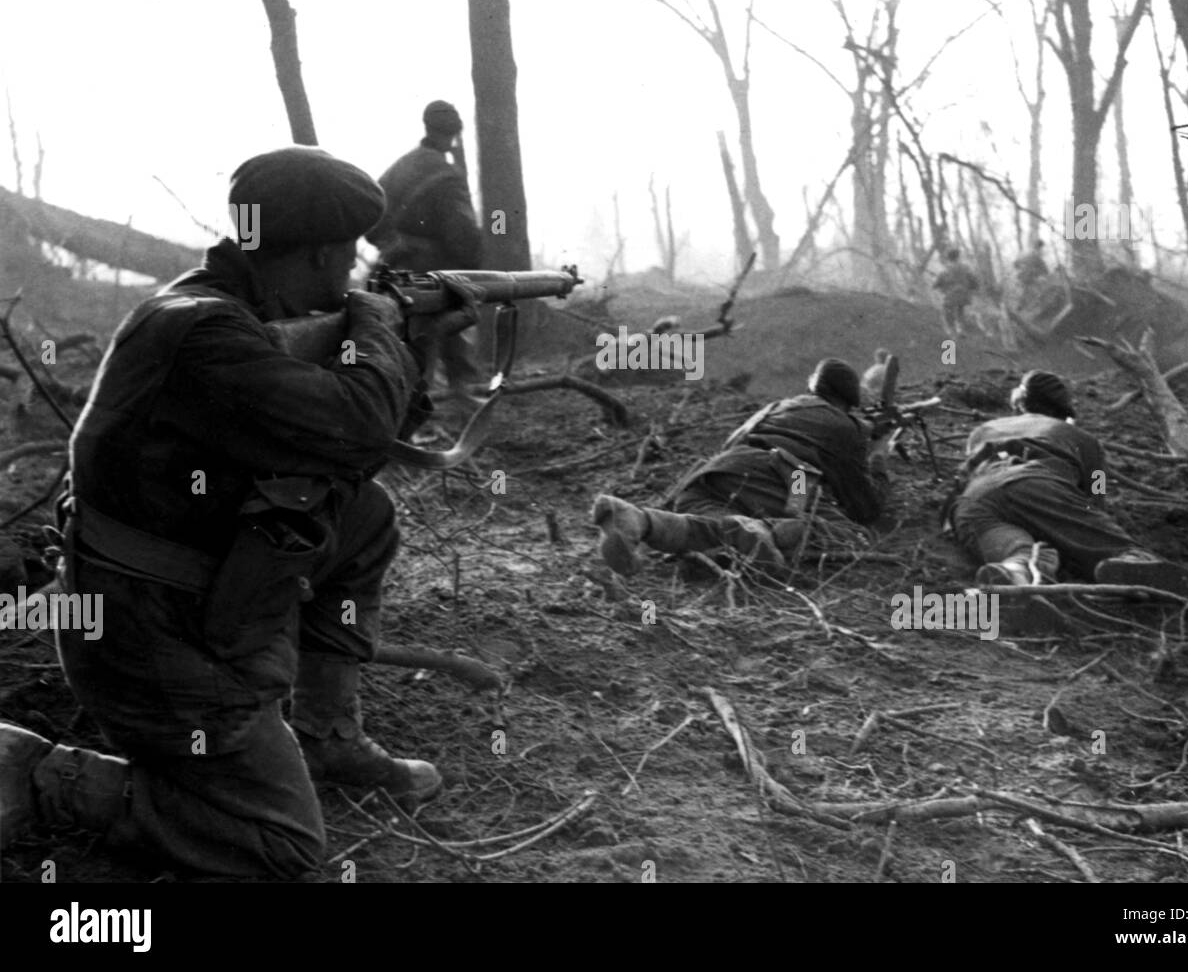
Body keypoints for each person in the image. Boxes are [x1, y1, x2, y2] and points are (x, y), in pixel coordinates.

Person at [0, 147, 478, 879]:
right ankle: (40, 776)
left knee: (364, 519)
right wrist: (379, 325)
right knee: (279, 848)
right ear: (322, 254)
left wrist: (414, 338)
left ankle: (324, 733)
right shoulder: (202, 332)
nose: (350, 274)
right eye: (346, 257)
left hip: (185, 591)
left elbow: (349, 458)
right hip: (144, 636)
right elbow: (356, 425)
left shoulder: (237, 309)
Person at [593, 358, 891, 574]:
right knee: (849, 536)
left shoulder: (776, 407)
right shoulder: (843, 425)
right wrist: (878, 456)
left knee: (715, 531)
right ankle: (765, 530)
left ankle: (639, 521)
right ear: (848, 400)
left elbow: (731, 445)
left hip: (711, 476)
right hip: (791, 476)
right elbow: (866, 509)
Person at [947, 369, 1188, 592]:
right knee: (1113, 547)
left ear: (1020, 401)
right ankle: (1135, 560)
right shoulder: (1084, 440)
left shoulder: (984, 430)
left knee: (1021, 551)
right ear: (1061, 411)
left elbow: (966, 472)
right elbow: (1097, 496)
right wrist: (1093, 521)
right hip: (1037, 483)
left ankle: (1016, 572)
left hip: (972, 501)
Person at [368, 100, 483, 399]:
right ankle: (461, 392)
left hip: (393, 267)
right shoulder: (448, 175)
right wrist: (475, 262)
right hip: (434, 266)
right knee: (452, 321)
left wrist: (391, 245)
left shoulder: (399, 167)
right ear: (454, 134)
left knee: (404, 336)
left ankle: (406, 399)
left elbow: (370, 213)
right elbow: (461, 231)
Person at [933, 247, 980, 337]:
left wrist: (937, 283)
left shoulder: (944, 270)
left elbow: (936, 284)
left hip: (950, 296)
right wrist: (973, 288)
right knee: (960, 310)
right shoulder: (966, 268)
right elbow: (974, 280)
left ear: (948, 258)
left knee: (946, 309)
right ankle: (960, 329)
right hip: (964, 295)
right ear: (958, 257)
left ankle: (951, 329)